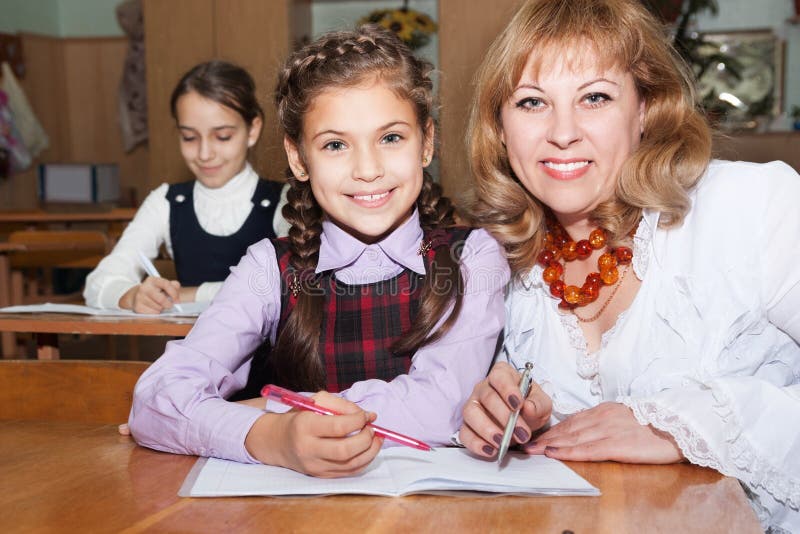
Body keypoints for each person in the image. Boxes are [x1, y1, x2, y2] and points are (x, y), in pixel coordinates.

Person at [458, 0, 800, 531]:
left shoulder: (754, 208)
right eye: (531, 103)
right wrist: (495, 404)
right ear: (500, 128)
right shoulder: (498, 264)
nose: (562, 132)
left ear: (645, 110)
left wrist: (688, 425)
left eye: (594, 97)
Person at [128, 26, 509, 478]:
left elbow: (441, 406)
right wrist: (273, 437)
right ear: (298, 158)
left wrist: (271, 407)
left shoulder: (472, 259)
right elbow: (155, 400)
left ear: (426, 142)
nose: (367, 170)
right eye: (335, 145)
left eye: (391, 138)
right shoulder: (268, 268)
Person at [84, 61, 289, 314]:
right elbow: (97, 284)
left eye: (223, 136)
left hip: (267, 354)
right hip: (187, 352)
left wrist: (189, 294)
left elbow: (291, 284)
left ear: (253, 129)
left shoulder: (285, 202)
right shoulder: (167, 201)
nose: (204, 153)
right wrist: (133, 295)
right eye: (189, 137)